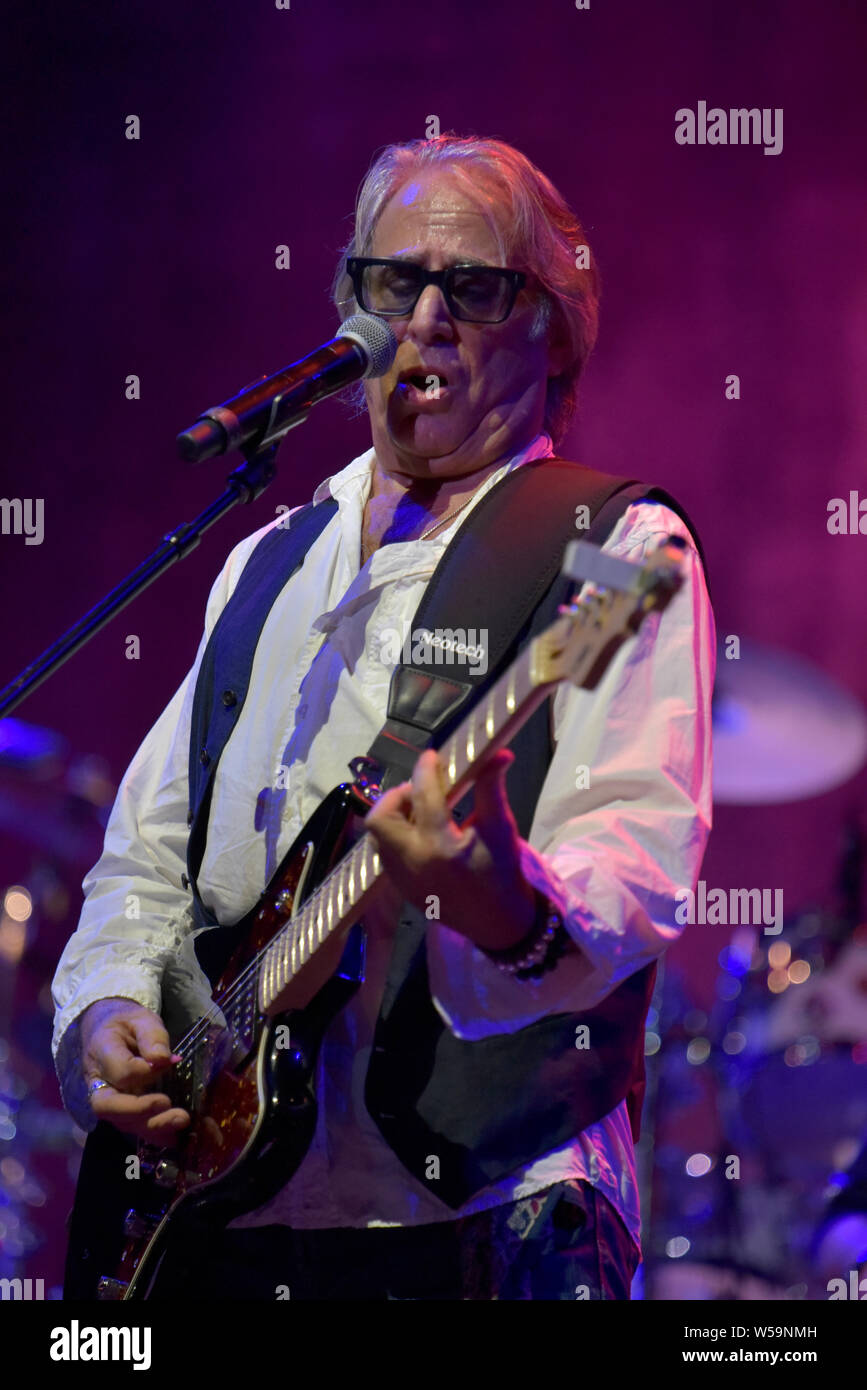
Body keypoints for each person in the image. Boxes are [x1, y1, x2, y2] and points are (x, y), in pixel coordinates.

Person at [52, 134, 715, 1300]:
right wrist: (107, 1010)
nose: (425, 316)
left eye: (475, 286)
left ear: (550, 327)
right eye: (390, 281)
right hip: (221, 1228)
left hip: (487, 1220)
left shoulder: (614, 551)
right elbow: (145, 863)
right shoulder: (264, 564)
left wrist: (496, 899)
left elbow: (634, 869)